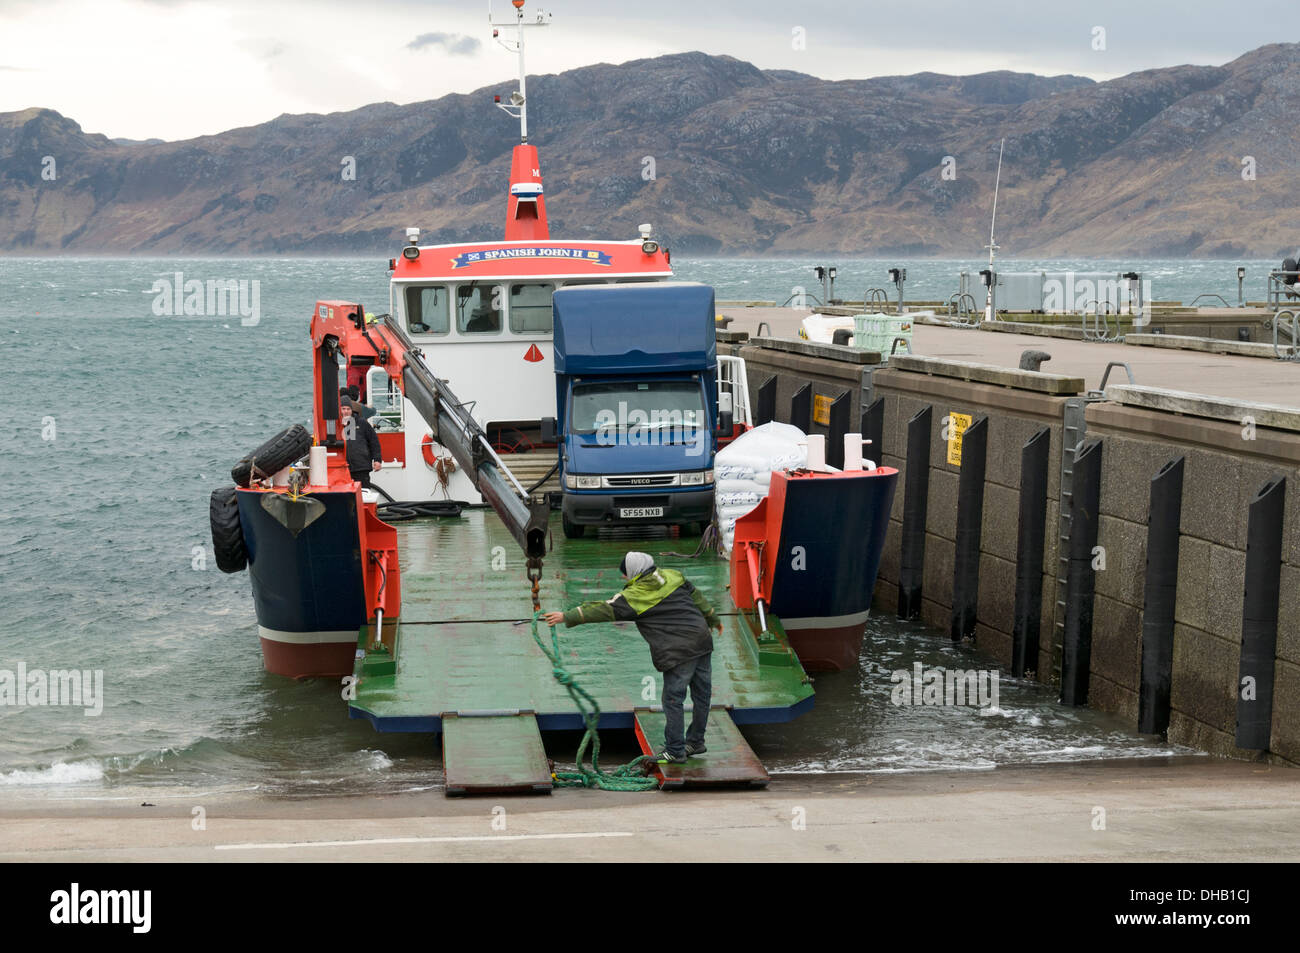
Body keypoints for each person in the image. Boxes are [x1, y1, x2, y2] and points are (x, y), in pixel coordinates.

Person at [543, 552, 721, 765]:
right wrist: (713, 618)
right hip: (702, 640)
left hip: (679, 650)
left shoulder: (636, 595)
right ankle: (696, 741)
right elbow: (697, 597)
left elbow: (604, 609)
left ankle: (675, 750)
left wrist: (566, 616)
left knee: (673, 698)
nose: (625, 579)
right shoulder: (673, 576)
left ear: (634, 573)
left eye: (626, 575)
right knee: (702, 696)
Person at [339, 400, 382, 487]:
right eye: (343, 409)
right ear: (339, 410)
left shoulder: (362, 422)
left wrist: (377, 460)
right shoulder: (335, 424)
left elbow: (374, 442)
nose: (346, 411)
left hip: (361, 467)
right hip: (343, 469)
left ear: (352, 410)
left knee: (364, 494)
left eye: (348, 409)